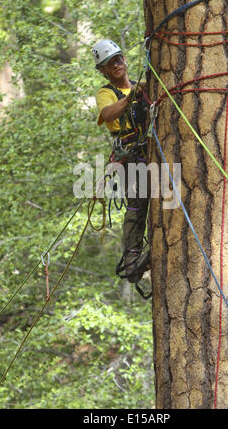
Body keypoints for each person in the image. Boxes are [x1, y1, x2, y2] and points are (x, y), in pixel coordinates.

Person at [92, 39, 150, 290]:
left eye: (118, 59)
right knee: (137, 202)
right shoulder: (107, 93)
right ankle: (132, 256)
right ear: (102, 70)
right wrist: (129, 99)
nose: (116, 65)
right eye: (109, 63)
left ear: (124, 59)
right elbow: (107, 115)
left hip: (149, 148)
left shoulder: (142, 87)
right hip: (129, 154)